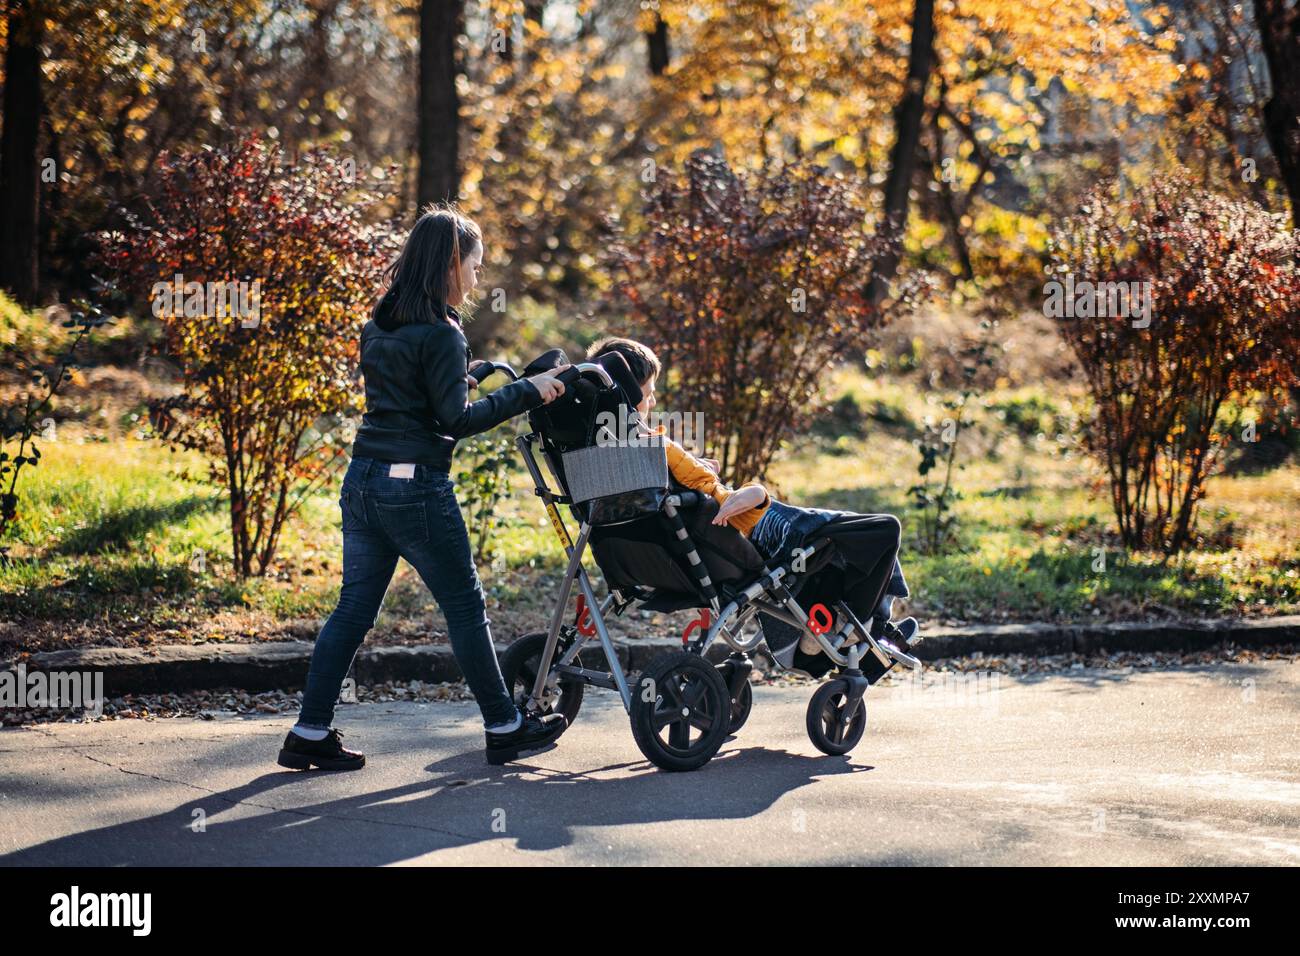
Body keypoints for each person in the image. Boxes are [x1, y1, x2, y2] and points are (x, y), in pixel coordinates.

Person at [278, 206, 572, 771]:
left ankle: (309, 730)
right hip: (414, 491)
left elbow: (411, 394)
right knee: (465, 605)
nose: (478, 279)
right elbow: (454, 420)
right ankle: (505, 725)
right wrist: (531, 391)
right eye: (475, 267)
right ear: (448, 265)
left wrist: (469, 368)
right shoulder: (441, 332)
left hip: (363, 481)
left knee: (353, 610)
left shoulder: (381, 323)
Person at [586, 337, 915, 675]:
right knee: (883, 530)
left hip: (648, 557)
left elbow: (681, 490)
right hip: (747, 527)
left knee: (851, 535)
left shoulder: (602, 457)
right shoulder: (656, 446)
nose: (653, 399)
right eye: (648, 390)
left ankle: (871, 627)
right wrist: (757, 493)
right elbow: (720, 503)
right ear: (628, 393)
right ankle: (852, 628)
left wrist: (697, 467)